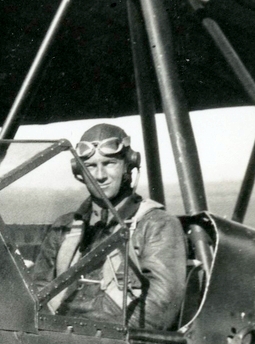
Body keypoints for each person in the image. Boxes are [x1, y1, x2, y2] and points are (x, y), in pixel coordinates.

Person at [31, 123, 186, 330]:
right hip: (59, 338)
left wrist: (97, 335)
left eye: (109, 163)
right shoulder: (65, 227)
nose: (100, 175)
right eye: (91, 166)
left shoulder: (157, 225)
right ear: (79, 171)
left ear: (127, 166)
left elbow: (159, 309)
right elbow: (36, 292)